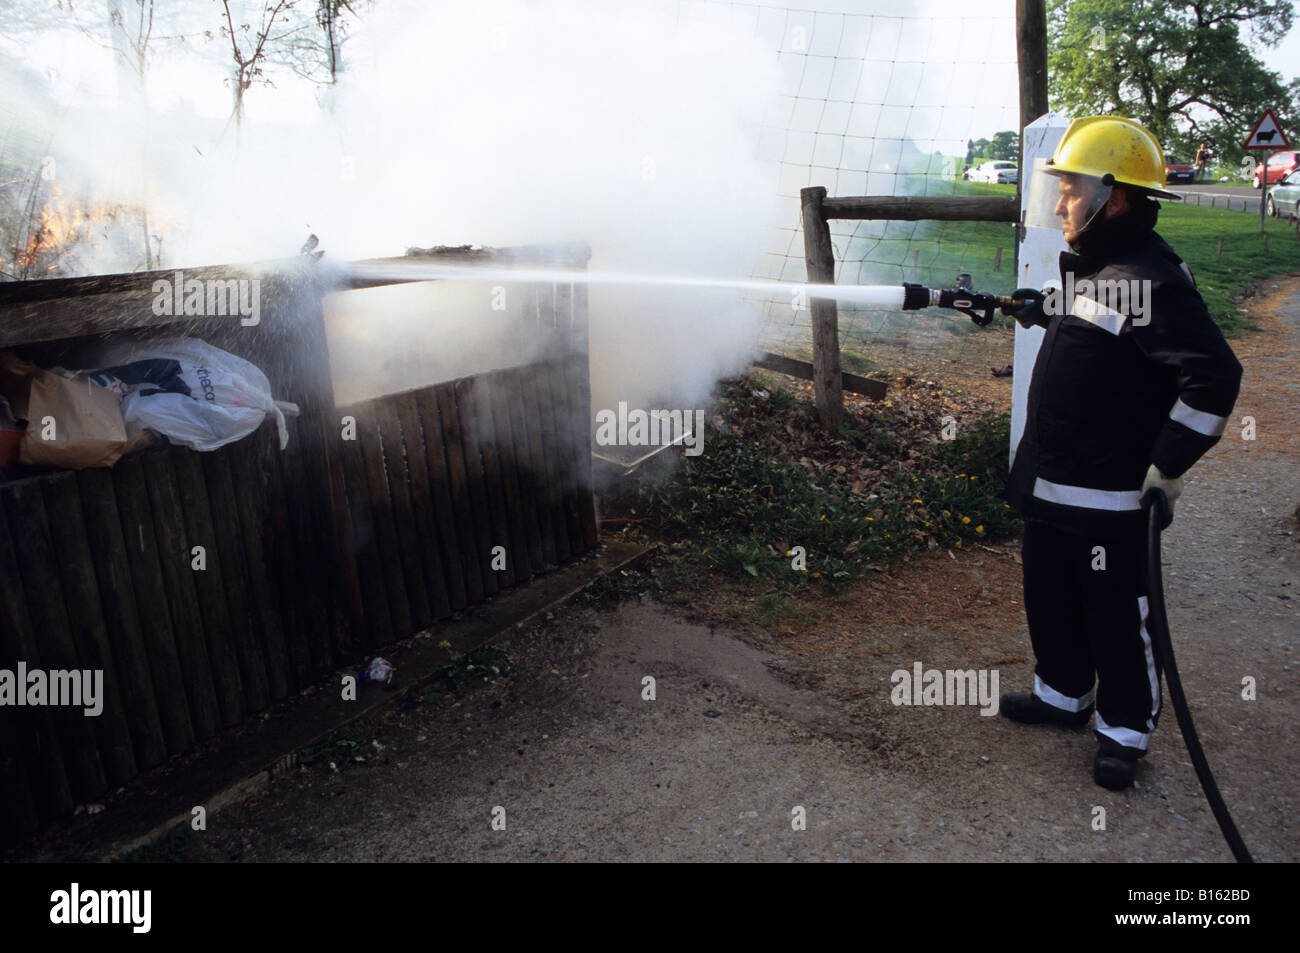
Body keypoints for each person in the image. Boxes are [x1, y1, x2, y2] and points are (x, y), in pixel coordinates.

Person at [999, 116, 1243, 790]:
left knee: (1113, 610)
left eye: (1071, 189)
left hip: (1109, 500)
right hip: (1051, 486)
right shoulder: (1101, 269)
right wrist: (1043, 306)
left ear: (1117, 194)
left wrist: (1169, 464)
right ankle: (1062, 694)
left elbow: (1215, 376)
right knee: (1049, 596)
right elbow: (1101, 326)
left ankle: (1124, 729)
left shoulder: (1151, 277)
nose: (1059, 202)